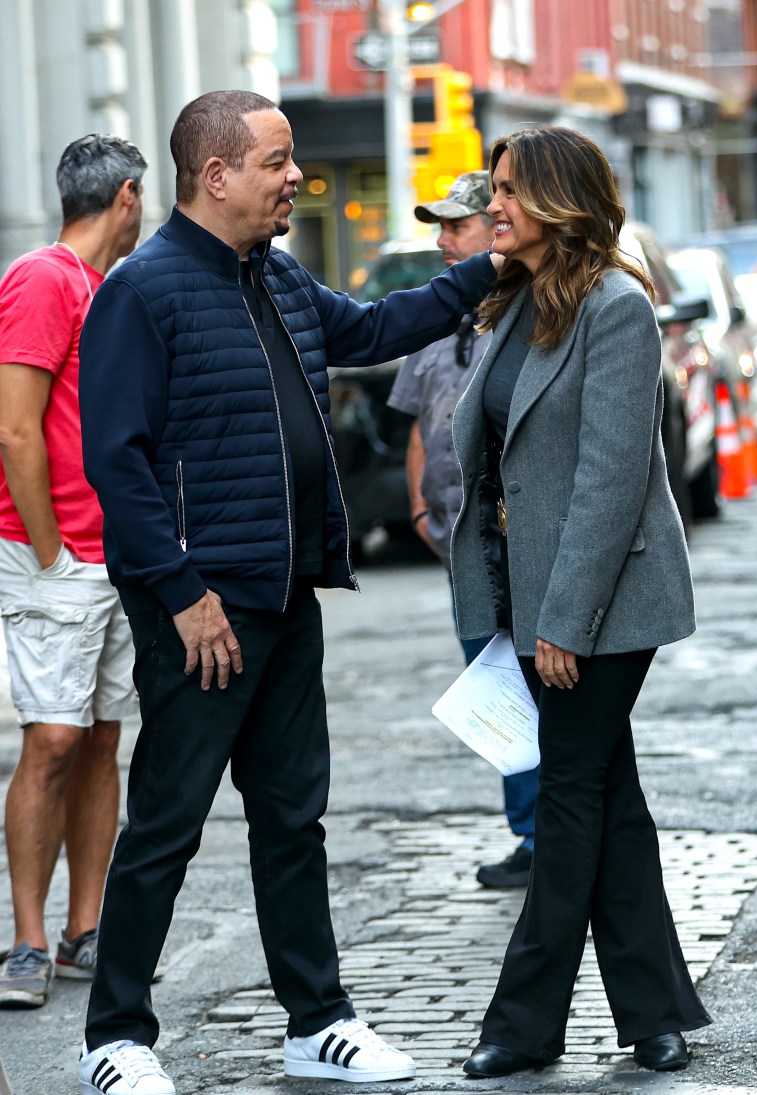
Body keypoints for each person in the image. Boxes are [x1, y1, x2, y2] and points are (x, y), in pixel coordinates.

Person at [75, 90, 499, 1095]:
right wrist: (182, 594)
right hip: (200, 608)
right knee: (167, 825)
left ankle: (318, 1021)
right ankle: (114, 1038)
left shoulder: (276, 272)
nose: (296, 177)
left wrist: (490, 266)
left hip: (283, 593)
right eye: (277, 161)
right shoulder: (142, 290)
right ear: (216, 174)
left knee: (293, 819)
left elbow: (377, 326)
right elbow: (115, 462)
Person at [448, 126, 712, 1078]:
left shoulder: (617, 306)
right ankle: (656, 1014)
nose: (494, 204)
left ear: (558, 201)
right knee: (608, 794)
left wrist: (565, 621)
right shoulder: (514, 301)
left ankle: (523, 1023)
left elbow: (610, 478)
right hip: (526, 592)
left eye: (510, 190)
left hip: (603, 599)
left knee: (566, 797)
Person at [0, 135, 146, 1010]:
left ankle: (84, 927)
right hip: (52, 555)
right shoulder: (43, 277)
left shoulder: (103, 286)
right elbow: (14, 426)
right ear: (126, 195)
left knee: (100, 738)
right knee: (51, 739)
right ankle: (25, 941)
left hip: (112, 554)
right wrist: (52, 550)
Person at [387, 171, 538, 889]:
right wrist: (421, 509)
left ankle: (561, 833)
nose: (444, 240)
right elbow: (421, 426)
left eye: (457, 225)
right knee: (496, 688)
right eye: (441, 227)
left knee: (543, 684)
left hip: (521, 540)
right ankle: (531, 834)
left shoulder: (531, 308)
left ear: (496, 226)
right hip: (460, 544)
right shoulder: (437, 315)